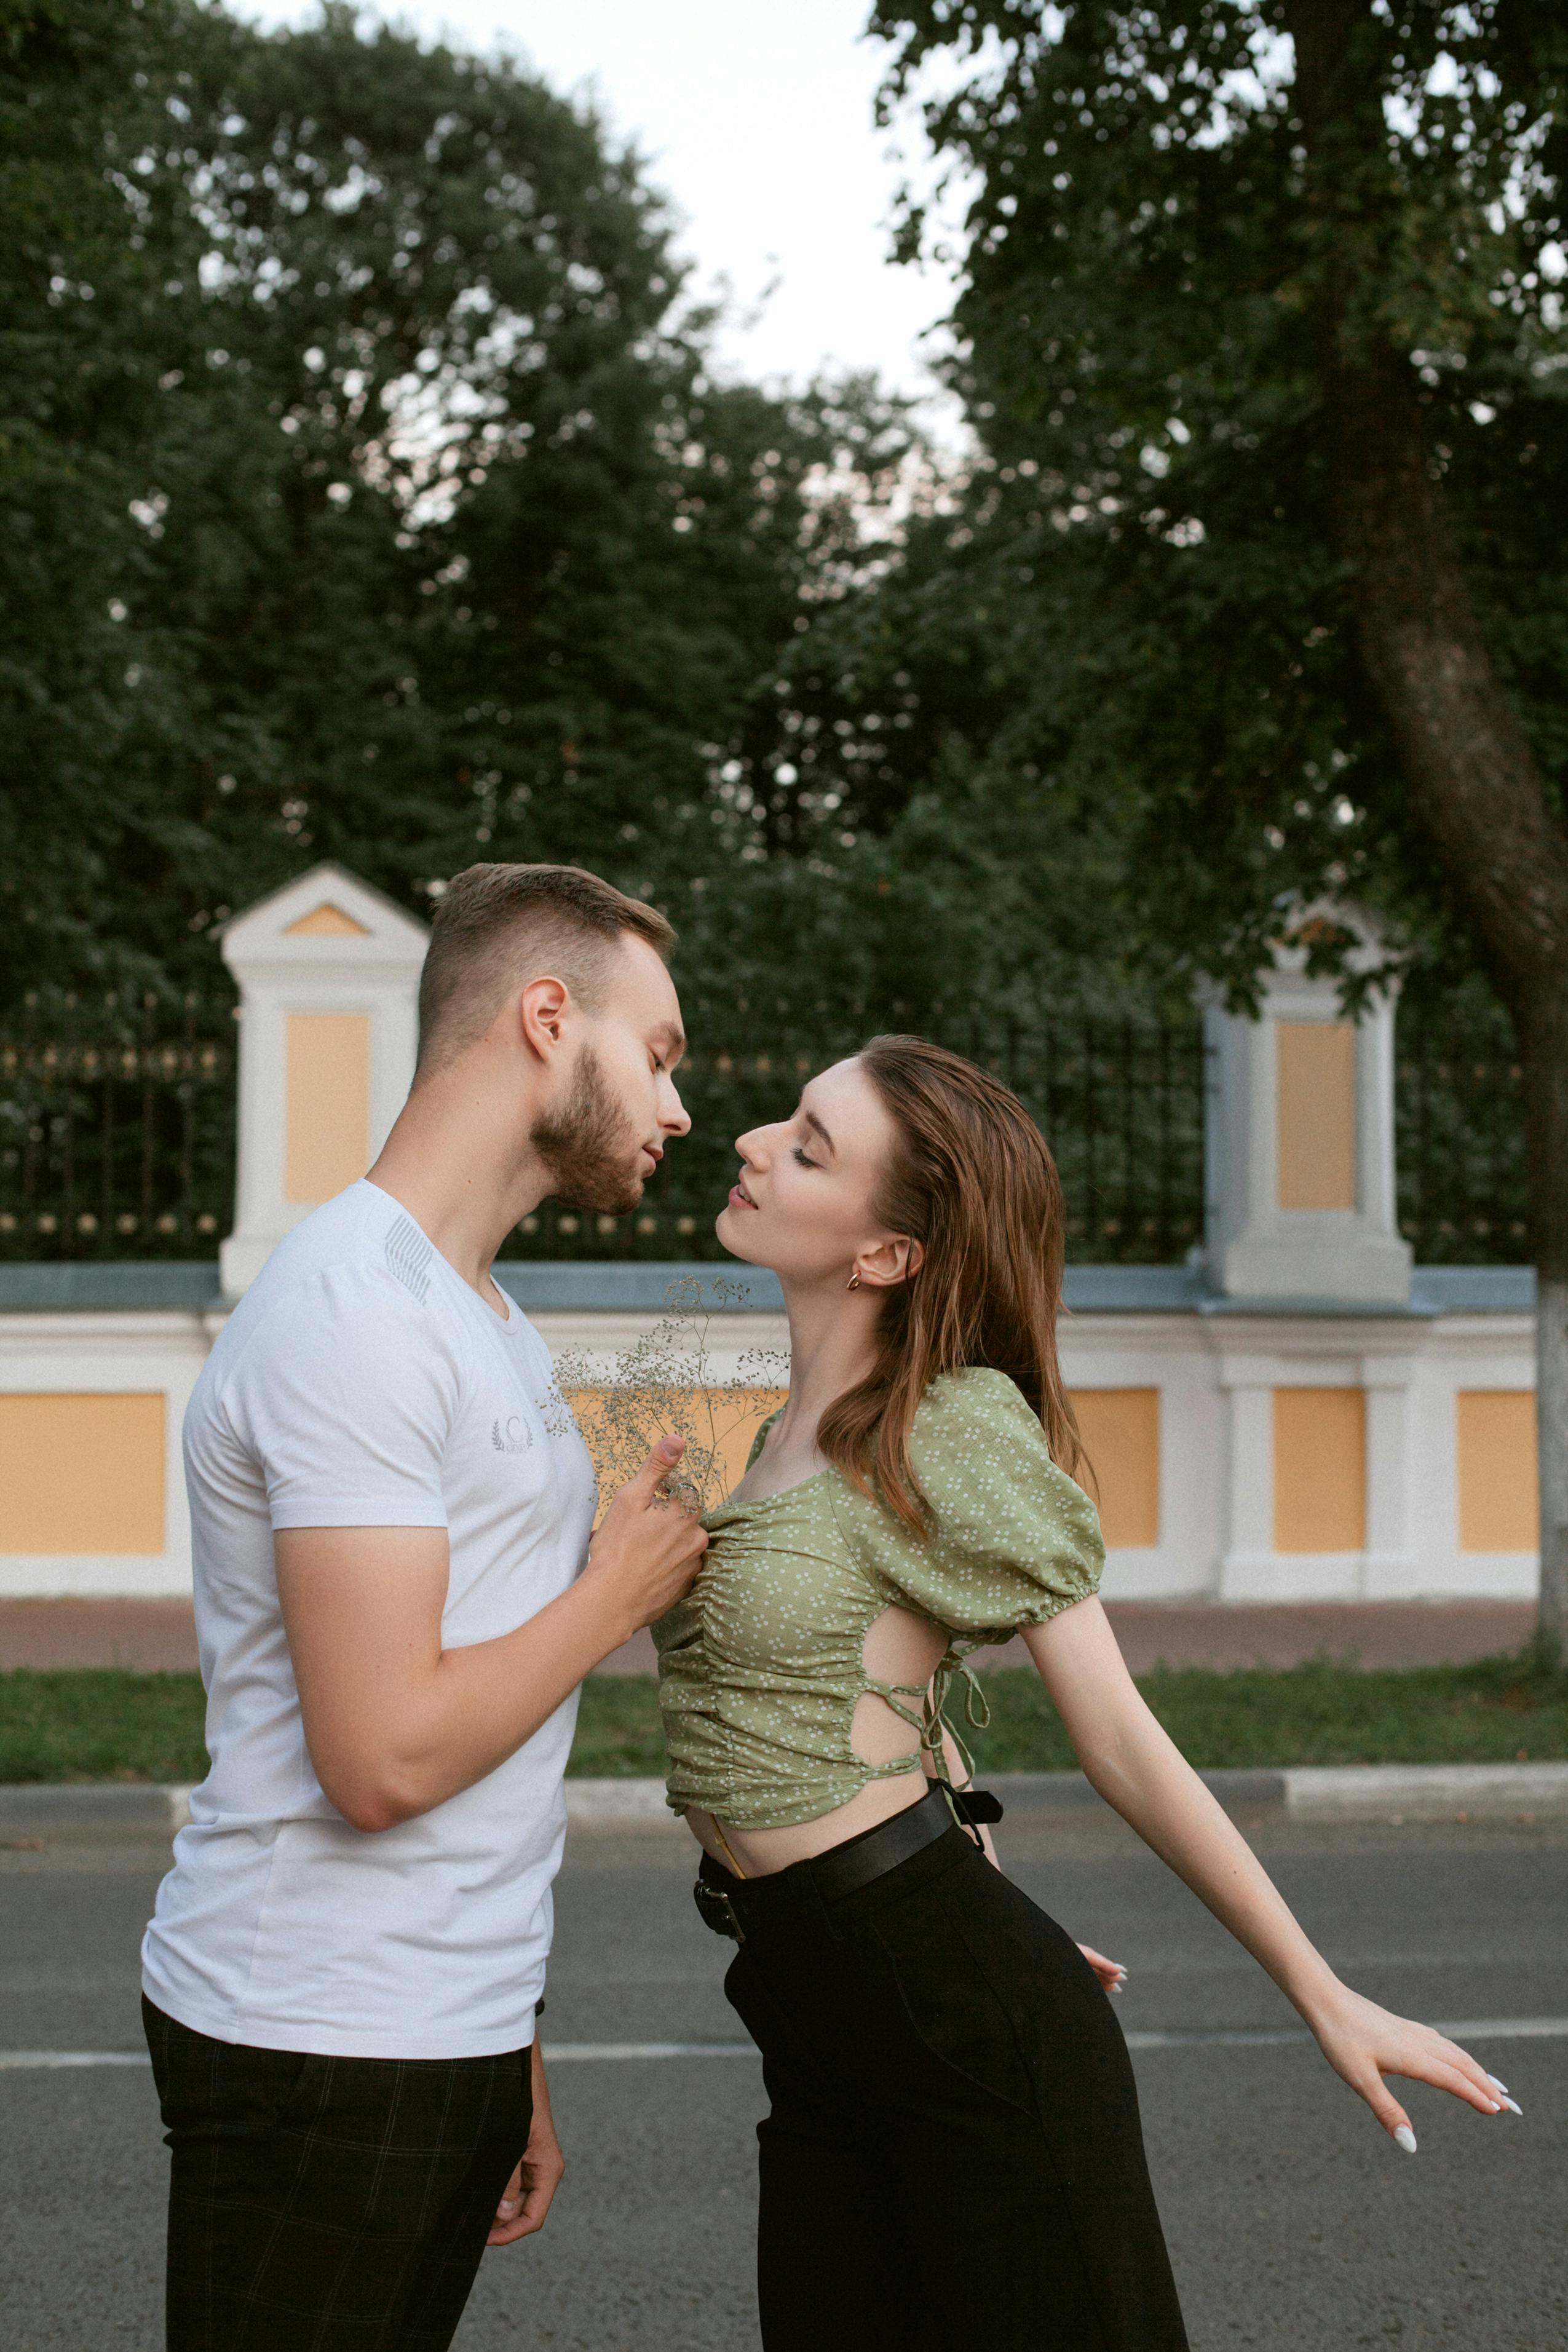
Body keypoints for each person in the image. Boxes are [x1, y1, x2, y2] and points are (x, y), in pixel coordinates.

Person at [654, 1034, 1519, 2352]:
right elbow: (880, 1665)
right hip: (817, 2001)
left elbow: (1116, 1733)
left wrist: (1323, 1990)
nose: (753, 1141)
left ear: (887, 1252)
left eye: (809, 1142)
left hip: (952, 2012)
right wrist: (963, 1845)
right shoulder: (784, 1434)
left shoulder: (946, 1423)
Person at [141, 863, 709, 2352]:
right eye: (657, 1054)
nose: (677, 1109)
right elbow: (383, 1755)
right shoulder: (353, 1318)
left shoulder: (481, 1313)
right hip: (317, 2030)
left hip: (435, 2022)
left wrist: (505, 2037)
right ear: (545, 1017)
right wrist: (620, 1593)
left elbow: (483, 1727)